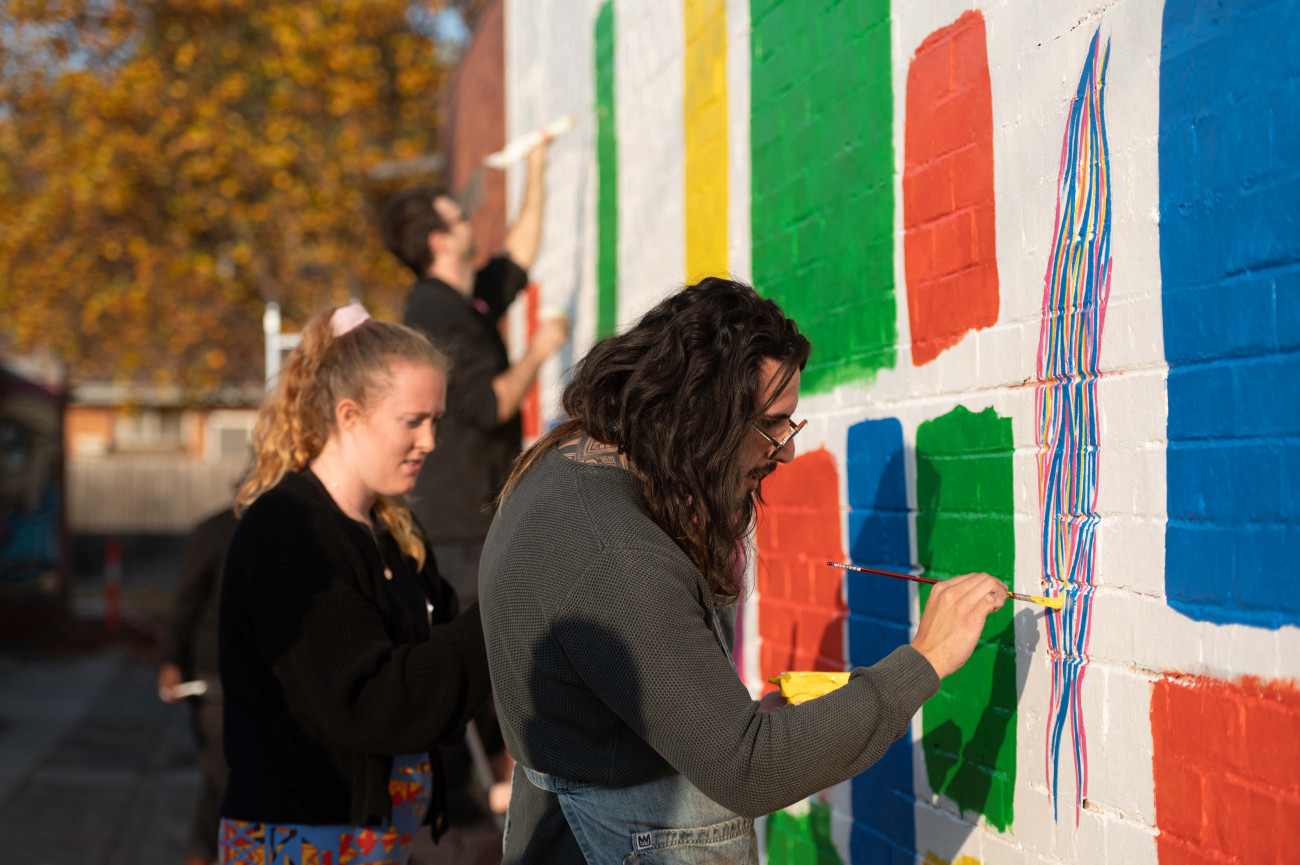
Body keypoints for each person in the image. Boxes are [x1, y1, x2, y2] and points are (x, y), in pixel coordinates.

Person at [478, 278, 1009, 864]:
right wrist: (925, 661)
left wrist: (720, 721)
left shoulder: (569, 466)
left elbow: (631, 714)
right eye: (773, 425)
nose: (784, 450)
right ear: (700, 412)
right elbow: (750, 771)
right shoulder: (612, 549)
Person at [216, 304, 492, 865]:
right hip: (303, 844)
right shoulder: (290, 533)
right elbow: (372, 704)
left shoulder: (394, 531)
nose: (431, 441)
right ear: (348, 415)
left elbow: (437, 674)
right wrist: (508, 613)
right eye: (412, 420)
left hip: (376, 841)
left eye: (436, 420)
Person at [381, 139, 568, 605]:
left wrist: (537, 167)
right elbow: (492, 403)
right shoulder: (435, 317)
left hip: (473, 522)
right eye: (459, 218)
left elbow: (517, 258)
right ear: (440, 241)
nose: (470, 222)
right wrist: (540, 349)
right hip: (461, 531)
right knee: (479, 655)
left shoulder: (462, 303)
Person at [158, 506, 237, 865]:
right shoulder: (217, 530)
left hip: (267, 684)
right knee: (225, 783)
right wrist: (171, 660)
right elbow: (186, 600)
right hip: (215, 681)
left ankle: (200, 854)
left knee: (219, 784)